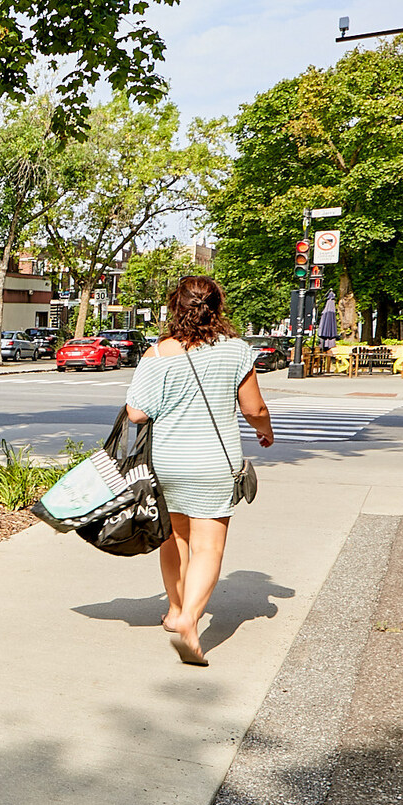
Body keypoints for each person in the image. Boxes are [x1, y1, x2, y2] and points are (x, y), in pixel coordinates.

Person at [122, 276, 276, 667]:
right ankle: (191, 621)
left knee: (174, 538)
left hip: (167, 462)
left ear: (176, 307)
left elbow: (137, 413)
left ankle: (175, 611)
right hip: (213, 464)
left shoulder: (157, 353)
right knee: (208, 546)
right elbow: (253, 409)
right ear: (217, 307)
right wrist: (265, 431)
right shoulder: (237, 351)